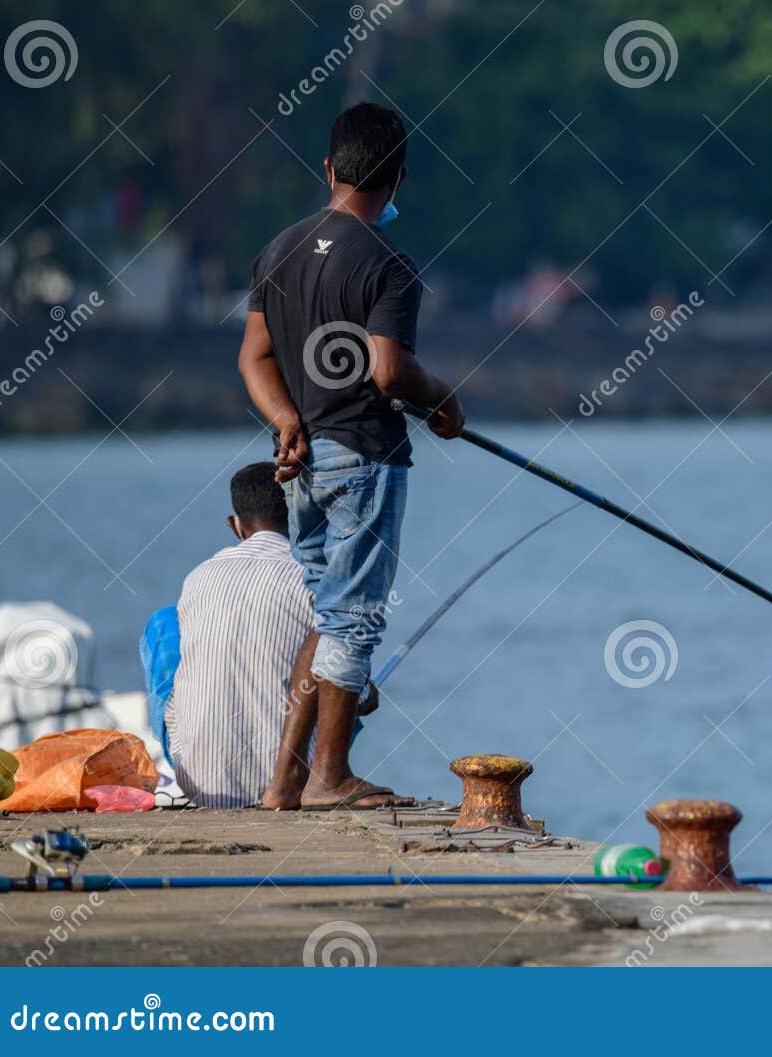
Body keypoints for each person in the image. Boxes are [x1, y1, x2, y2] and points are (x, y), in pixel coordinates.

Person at [239, 101, 463, 809]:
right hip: (363, 454)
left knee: (326, 614)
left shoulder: (276, 249)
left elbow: (255, 357)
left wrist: (285, 420)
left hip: (299, 461)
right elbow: (389, 370)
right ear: (396, 180)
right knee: (353, 617)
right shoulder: (390, 262)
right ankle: (330, 775)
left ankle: (285, 782)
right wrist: (443, 400)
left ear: (330, 168)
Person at [164, 464, 315, 808]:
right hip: (289, 781)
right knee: (343, 688)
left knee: (163, 627)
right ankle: (325, 779)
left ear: (235, 526)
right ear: (301, 515)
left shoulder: (198, 577)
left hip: (199, 782)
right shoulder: (313, 580)